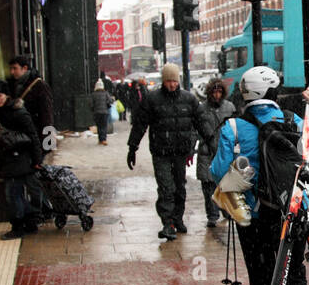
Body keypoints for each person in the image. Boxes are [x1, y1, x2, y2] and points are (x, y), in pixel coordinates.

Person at [210, 65, 309, 285]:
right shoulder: (292, 120)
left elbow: (217, 171)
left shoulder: (233, 128)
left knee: (262, 281)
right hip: (290, 212)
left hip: (253, 219)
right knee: (293, 271)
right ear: (271, 91)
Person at [126, 63, 208, 241]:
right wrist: (133, 147)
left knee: (179, 187)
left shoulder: (189, 99)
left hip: (180, 151)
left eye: (175, 81)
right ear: (164, 81)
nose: (172, 84)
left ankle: (178, 218)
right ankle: (168, 222)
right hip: (161, 151)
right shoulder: (152, 99)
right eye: (169, 81)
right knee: (166, 188)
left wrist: (210, 140)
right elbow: (140, 125)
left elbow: (201, 121)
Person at [0, 80, 42, 239]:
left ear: (7, 95)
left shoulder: (18, 112)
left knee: (13, 194)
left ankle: (19, 226)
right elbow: (0, 140)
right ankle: (30, 222)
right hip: (10, 159)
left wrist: (37, 159)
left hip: (19, 159)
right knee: (15, 194)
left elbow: (33, 135)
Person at [197, 77, 235, 227]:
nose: (217, 95)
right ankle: (212, 215)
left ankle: (226, 210)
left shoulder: (230, 107)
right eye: (214, 92)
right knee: (208, 186)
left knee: (225, 183)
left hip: (225, 150)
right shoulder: (201, 109)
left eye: (219, 92)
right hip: (207, 151)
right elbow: (195, 130)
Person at [8, 56, 54, 158]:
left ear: (24, 68)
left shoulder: (39, 86)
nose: (12, 72)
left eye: (15, 68)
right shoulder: (13, 85)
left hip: (35, 135)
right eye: (11, 68)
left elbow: (47, 116)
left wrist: (47, 143)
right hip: (21, 137)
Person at [92, 79, 113, 145]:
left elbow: (91, 104)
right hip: (104, 112)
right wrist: (107, 104)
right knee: (104, 126)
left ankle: (100, 139)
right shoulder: (106, 93)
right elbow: (110, 100)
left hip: (97, 112)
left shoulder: (94, 94)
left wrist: (93, 109)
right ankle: (104, 139)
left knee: (99, 126)